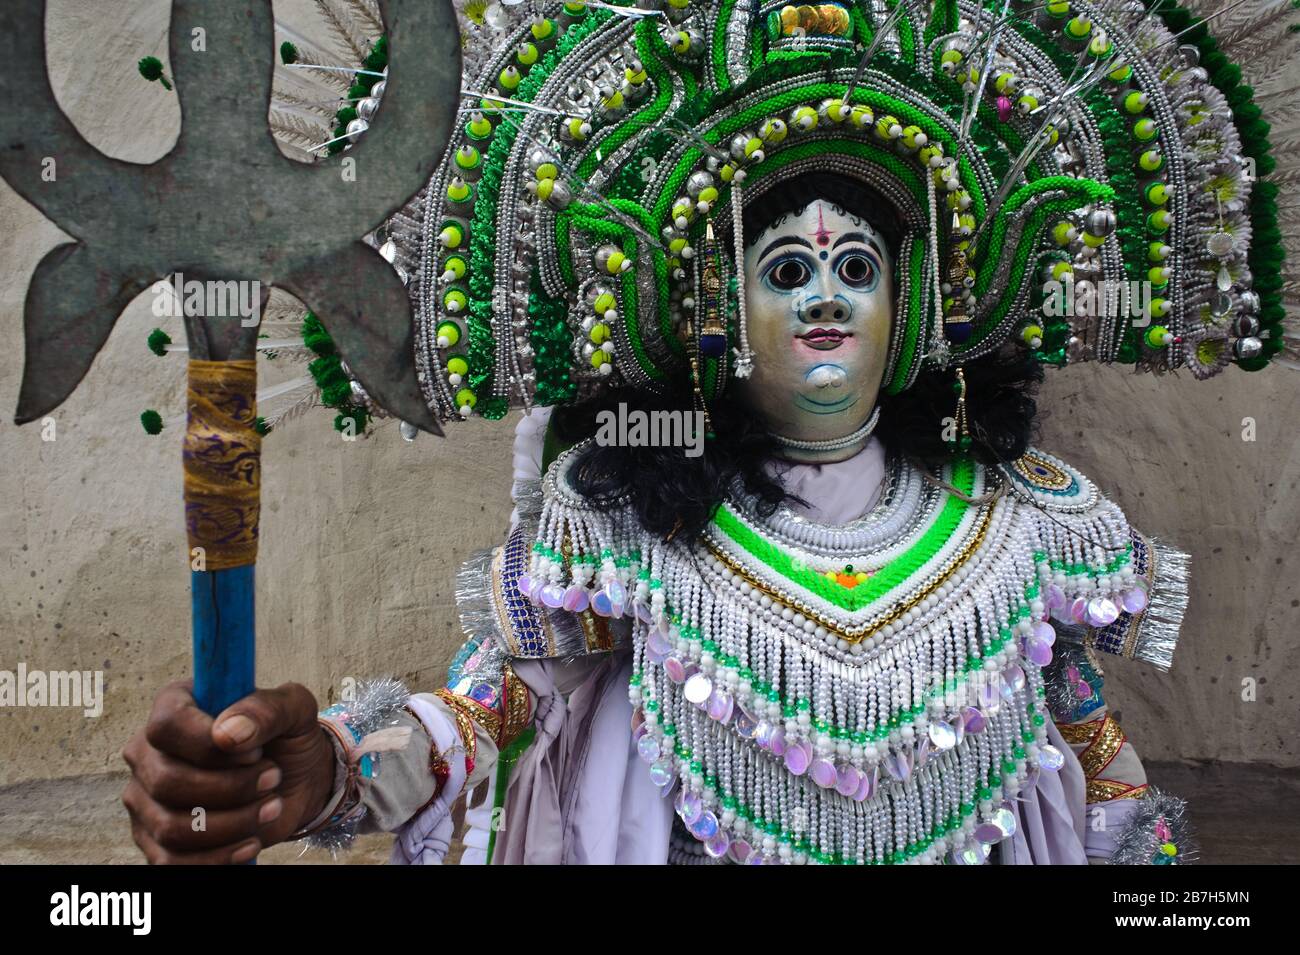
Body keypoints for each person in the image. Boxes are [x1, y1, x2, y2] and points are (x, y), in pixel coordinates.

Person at [122, 0, 1287, 864]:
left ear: (915, 306)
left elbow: (1092, 760)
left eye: (856, 268)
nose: (825, 299)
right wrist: (321, 774)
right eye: (786, 268)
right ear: (718, 312)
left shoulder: (1022, 517)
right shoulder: (622, 515)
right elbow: (491, 714)